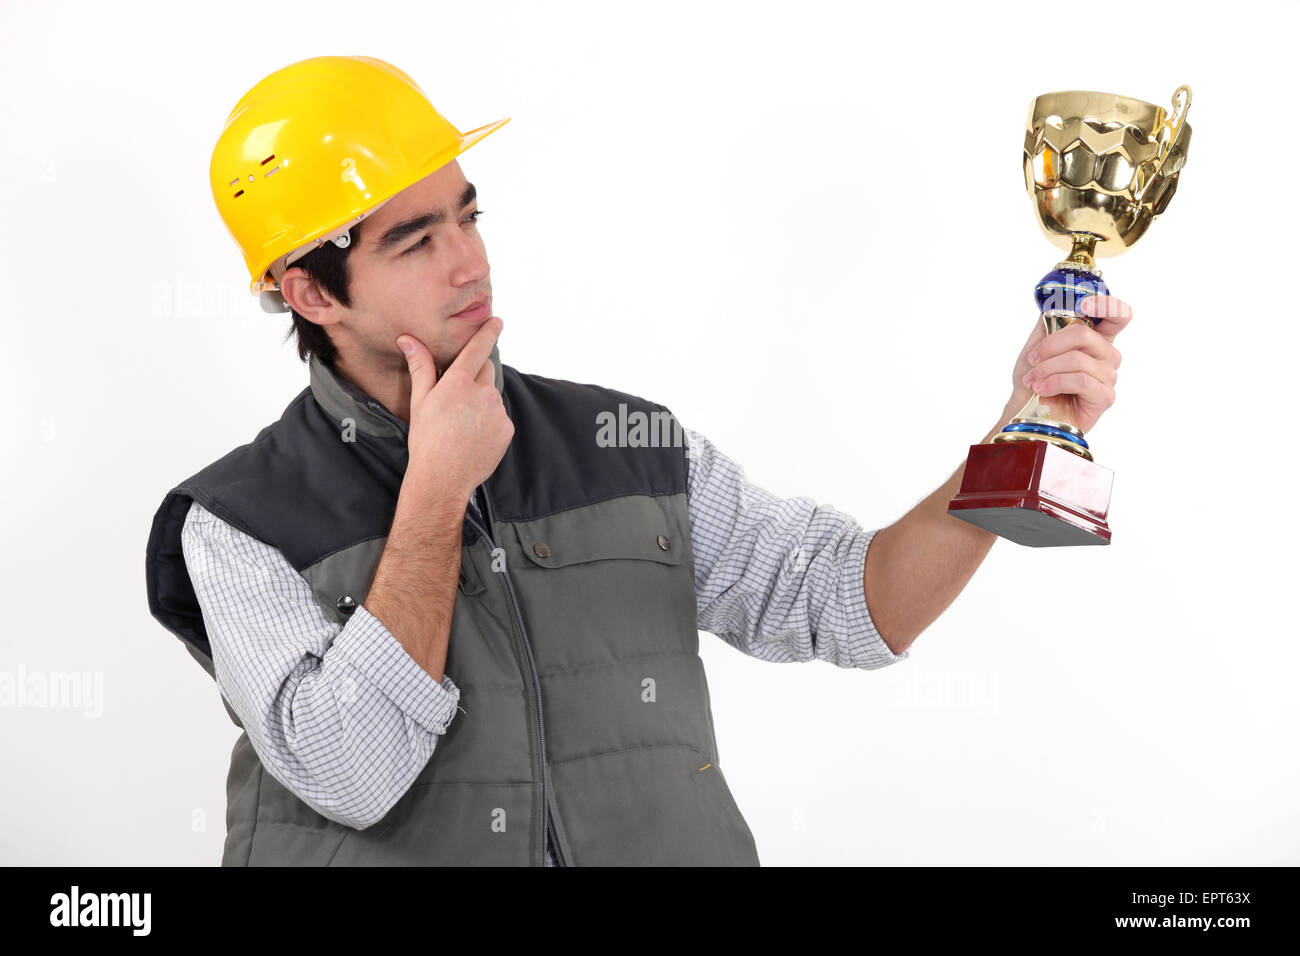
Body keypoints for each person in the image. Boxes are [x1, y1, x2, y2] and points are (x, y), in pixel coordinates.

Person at [145, 55, 1131, 866]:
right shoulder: (235, 523)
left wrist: (1018, 432)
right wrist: (437, 492)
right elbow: (351, 767)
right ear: (310, 293)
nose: (468, 263)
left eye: (467, 216)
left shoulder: (627, 447)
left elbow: (847, 599)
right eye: (413, 241)